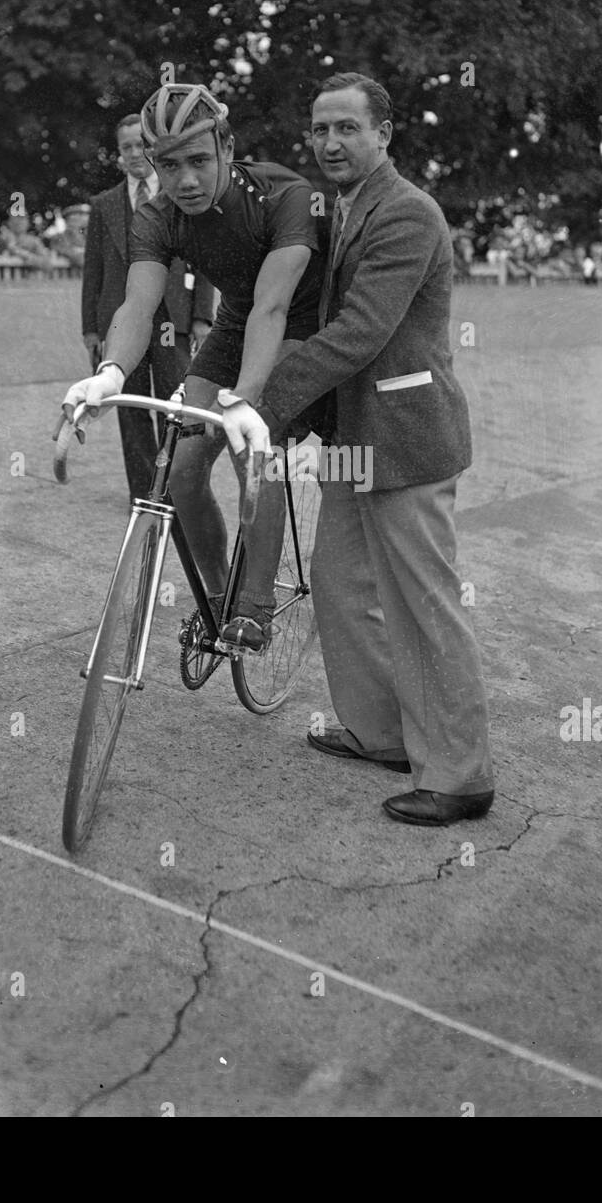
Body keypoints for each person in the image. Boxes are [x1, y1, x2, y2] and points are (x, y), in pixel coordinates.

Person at [218, 72, 495, 827]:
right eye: (319, 130)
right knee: (339, 582)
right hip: (353, 437)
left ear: (384, 133)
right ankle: (379, 734)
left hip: (406, 441)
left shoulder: (406, 213)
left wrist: (262, 403)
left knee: (421, 604)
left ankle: (460, 774)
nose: (329, 142)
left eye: (346, 128)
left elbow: (361, 333)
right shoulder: (343, 209)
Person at [63, 83, 324, 649]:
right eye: (169, 165)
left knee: (254, 450)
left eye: (200, 161)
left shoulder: (285, 193)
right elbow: (138, 305)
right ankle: (217, 600)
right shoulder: (159, 215)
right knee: (180, 468)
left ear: (227, 147)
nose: (185, 180)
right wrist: (109, 372)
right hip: (235, 320)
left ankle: (256, 605)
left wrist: (246, 398)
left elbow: (274, 307)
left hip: (298, 321)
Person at [79, 112, 217, 501]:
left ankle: (177, 493)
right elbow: (94, 270)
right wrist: (91, 329)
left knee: (176, 408)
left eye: (141, 145)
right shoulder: (104, 205)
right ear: (119, 155)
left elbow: (204, 260)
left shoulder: (178, 193)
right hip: (121, 323)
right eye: (127, 147)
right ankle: (144, 496)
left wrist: (202, 316)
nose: (136, 153)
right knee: (131, 410)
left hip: (174, 318)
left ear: (153, 148)